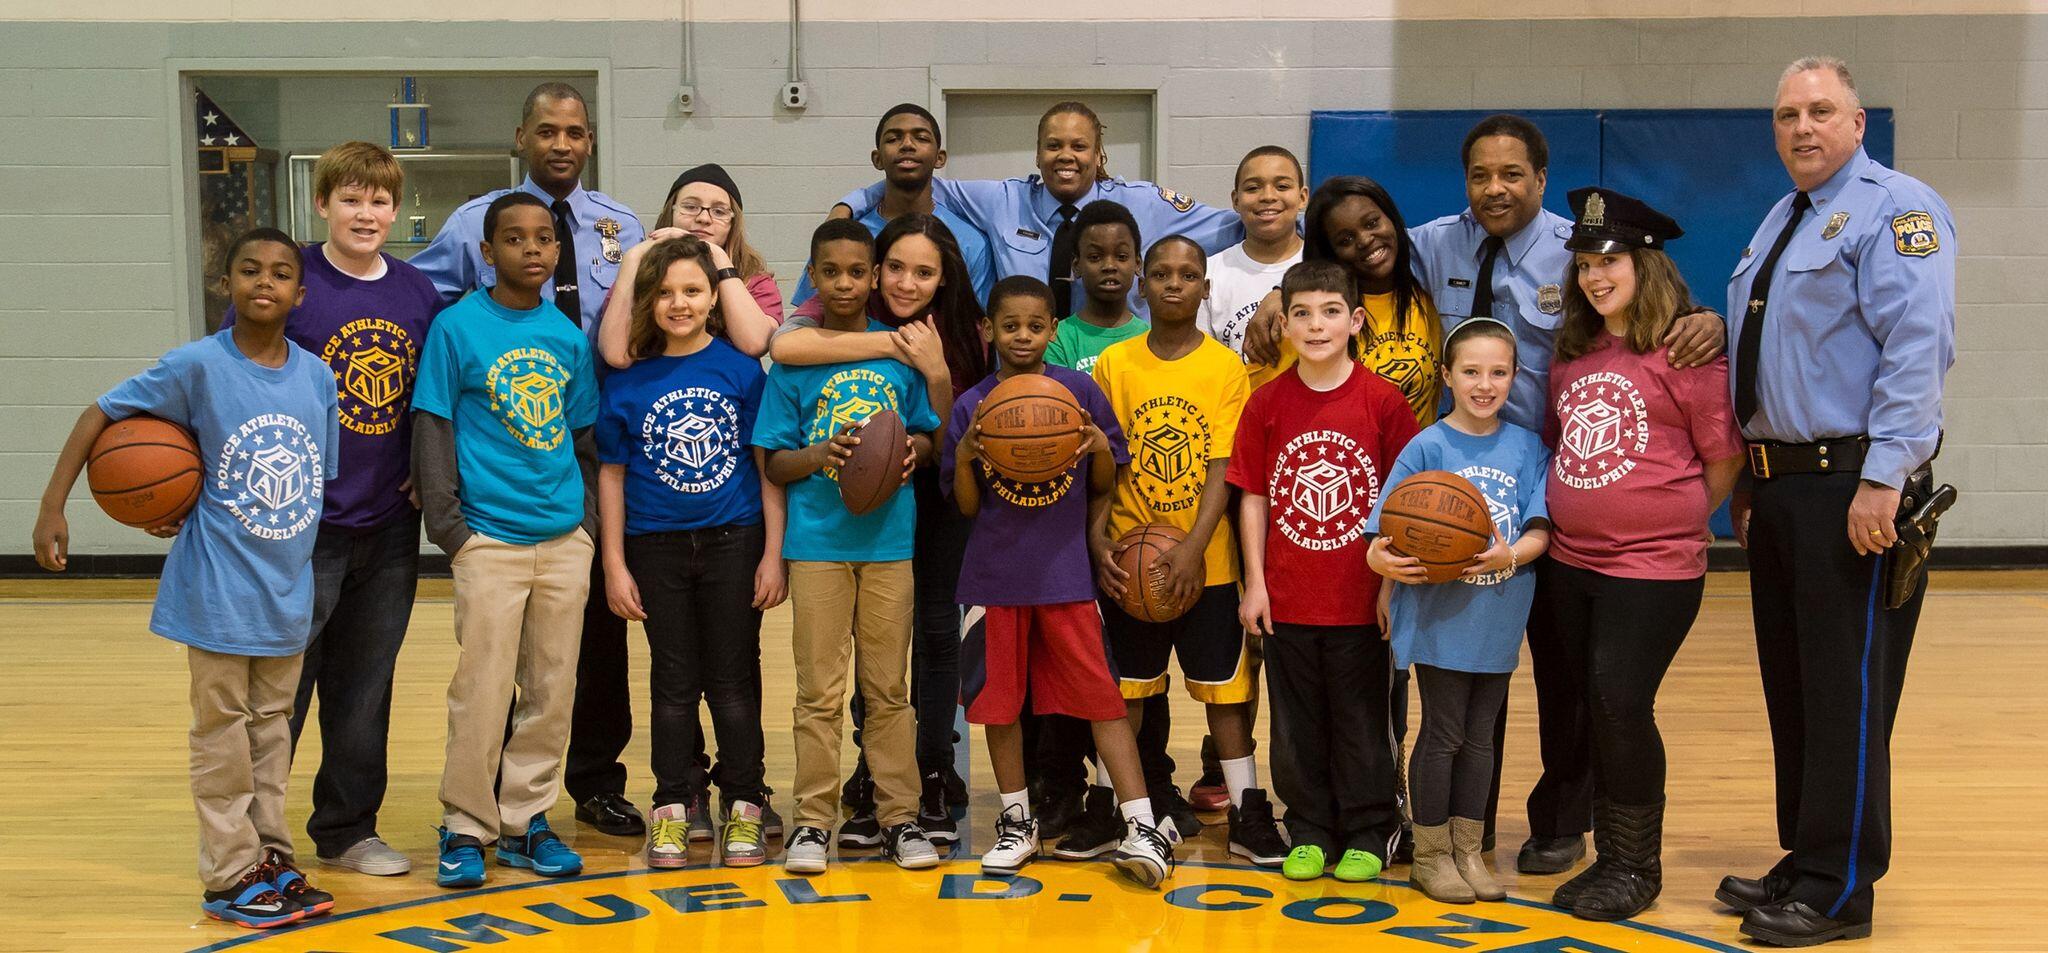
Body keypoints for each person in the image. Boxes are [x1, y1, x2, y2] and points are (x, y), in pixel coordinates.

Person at [1248, 114, 1724, 871]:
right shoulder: (1436, 241)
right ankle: (1425, 820)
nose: (1495, 189)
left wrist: (1703, 319)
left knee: (1566, 678)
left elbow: (1640, 291)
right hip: (1453, 490)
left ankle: (1560, 818)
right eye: (1480, 175)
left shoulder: (1578, 250)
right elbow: (1344, 261)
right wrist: (1283, 296)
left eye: (1512, 175)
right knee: (1438, 672)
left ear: (1540, 178)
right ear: (1464, 183)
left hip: (1549, 484)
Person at [34, 229, 340, 929]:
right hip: (218, 587)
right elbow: (100, 414)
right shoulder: (197, 365)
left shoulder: (317, 377)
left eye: (281, 272)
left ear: (301, 291)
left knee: (273, 730)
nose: (265, 281)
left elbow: (311, 483)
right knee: (221, 733)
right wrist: (55, 504)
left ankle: (267, 853)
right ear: (225, 283)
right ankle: (228, 873)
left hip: (287, 589)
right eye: (250, 269)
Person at [1720, 57, 1955, 949]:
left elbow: (1915, 349)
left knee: (1846, 689)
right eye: (1786, 114)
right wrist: (1751, 473)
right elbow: (1772, 362)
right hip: (1785, 484)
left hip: (1853, 486)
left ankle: (1844, 885)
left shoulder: (1899, 209)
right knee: (1796, 686)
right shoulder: (1787, 216)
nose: (1802, 128)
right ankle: (1808, 852)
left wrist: (1886, 477)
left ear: (1859, 123)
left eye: (1821, 112)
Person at [408, 81, 651, 840]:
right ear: (522, 137)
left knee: (582, 660)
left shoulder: (622, 225)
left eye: (575, 132)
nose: (562, 143)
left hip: (582, 466)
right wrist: (442, 504)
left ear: (590, 140)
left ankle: (572, 793)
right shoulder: (469, 225)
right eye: (547, 130)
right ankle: (473, 816)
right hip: (493, 474)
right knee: (489, 675)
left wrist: (587, 511)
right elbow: (418, 309)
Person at [218, 142, 438, 878]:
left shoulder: (416, 293)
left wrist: (426, 470)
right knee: (284, 686)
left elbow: (432, 400)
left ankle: (346, 828)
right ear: (321, 205)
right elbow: (233, 379)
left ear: (395, 209)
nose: (365, 213)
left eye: (378, 200)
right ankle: (257, 839)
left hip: (389, 525)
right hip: (300, 530)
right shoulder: (291, 278)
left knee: (365, 686)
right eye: (349, 199)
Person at [1542, 187, 1745, 921]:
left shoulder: (1685, 352)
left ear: (1645, 264)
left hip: (1651, 568)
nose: (1596, 275)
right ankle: (1608, 858)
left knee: (1623, 702)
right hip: (1571, 561)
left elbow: (1720, 459)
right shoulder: (1572, 353)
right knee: (1594, 706)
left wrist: (1678, 518)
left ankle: (1637, 865)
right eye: (1585, 263)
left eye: (1611, 259)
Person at [943, 274, 1176, 888]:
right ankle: (1018, 821)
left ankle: (1143, 823)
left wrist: (1100, 445)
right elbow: (966, 507)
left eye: (1036, 325)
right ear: (986, 330)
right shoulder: (971, 404)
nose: (1023, 336)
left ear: (1054, 330)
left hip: (1066, 576)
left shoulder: (1078, 390)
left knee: (1102, 699)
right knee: (998, 708)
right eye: (1010, 325)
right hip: (992, 580)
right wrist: (967, 454)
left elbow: (1104, 482)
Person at [769, 213, 983, 847]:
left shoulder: (912, 357)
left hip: (890, 543)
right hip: (816, 544)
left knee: (888, 688)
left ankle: (900, 815)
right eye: (831, 272)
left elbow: (932, 431)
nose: (845, 283)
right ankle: (814, 820)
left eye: (856, 272)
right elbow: (776, 458)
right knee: (819, 691)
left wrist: (914, 444)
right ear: (812, 277)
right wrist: (820, 456)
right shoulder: (800, 359)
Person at [413, 192, 599, 889]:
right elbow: (432, 428)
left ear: (557, 251)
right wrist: (452, 530)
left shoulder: (566, 336)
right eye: (514, 238)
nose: (532, 248)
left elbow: (582, 437)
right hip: (487, 538)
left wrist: (585, 524)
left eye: (544, 238)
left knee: (551, 687)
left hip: (562, 538)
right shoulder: (457, 328)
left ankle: (526, 820)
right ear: (487, 253)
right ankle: (465, 824)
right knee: (483, 688)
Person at [1089, 235, 1288, 868]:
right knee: (1126, 692)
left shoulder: (1226, 369)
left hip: (1212, 563)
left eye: (1188, 275)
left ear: (1206, 288)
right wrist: (1097, 536)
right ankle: (1120, 809)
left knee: (1225, 696)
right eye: (1161, 274)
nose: (1174, 284)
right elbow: (1104, 462)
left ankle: (1248, 812)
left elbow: (1223, 465)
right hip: (1131, 560)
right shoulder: (1113, 365)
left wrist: (1194, 547)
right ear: (1142, 284)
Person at [595, 236, 786, 870]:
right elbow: (613, 477)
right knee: (673, 685)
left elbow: (766, 469)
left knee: (733, 683)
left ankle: (745, 803)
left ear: (714, 298)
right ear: (648, 301)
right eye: (666, 292)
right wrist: (615, 564)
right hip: (655, 549)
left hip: (736, 542)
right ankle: (674, 804)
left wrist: (773, 554)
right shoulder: (627, 380)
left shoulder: (739, 369)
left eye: (693, 291)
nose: (679, 303)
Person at [1229, 260, 1418, 883]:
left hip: (1361, 601)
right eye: (1302, 313)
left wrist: (1391, 587)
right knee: (1295, 725)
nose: (1316, 325)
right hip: (1287, 598)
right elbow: (1253, 496)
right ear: (1283, 324)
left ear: (1355, 320)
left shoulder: (1384, 403)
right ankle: (1307, 827)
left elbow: (1402, 505)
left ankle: (1370, 826)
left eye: (1331, 312)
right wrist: (1255, 584)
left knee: (1364, 723)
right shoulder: (1265, 403)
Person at [1367, 318, 1552, 905]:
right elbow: (1379, 535)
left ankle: (1469, 850)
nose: (1484, 384)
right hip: (1441, 613)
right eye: (1470, 371)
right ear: (1447, 376)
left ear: (1514, 377)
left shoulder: (1528, 446)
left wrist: (1509, 551)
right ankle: (1431, 853)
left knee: (1481, 739)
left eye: (1498, 372)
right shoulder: (1427, 445)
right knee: (1444, 732)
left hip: (1499, 609)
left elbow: (1540, 532)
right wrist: (1382, 566)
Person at [832, 100, 1243, 318]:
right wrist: (849, 206)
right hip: (1023, 372)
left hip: (1115, 368)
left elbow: (1242, 225)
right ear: (1037, 153)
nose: (1066, 156)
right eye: (1054, 145)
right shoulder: (1004, 201)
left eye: (1079, 146)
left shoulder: (1143, 203)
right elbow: (915, 176)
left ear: (1098, 154)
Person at [792, 104, 995, 307]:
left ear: (939, 158)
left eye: (921, 138)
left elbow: (978, 329)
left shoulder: (971, 242)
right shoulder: (844, 237)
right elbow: (805, 322)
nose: (907, 144)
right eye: (893, 139)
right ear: (877, 159)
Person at [598, 163, 784, 364]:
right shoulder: (637, 269)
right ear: (671, 212)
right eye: (690, 207)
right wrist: (632, 259)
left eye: (719, 211)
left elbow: (755, 344)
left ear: (733, 223)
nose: (704, 218)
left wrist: (717, 255)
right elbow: (616, 355)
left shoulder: (755, 280)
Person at [1198, 145, 1307, 369]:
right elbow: (1202, 364)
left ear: (1302, 197)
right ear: (1236, 200)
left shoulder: (1326, 265)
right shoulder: (1209, 273)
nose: (1268, 196)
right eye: (1253, 188)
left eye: (1282, 186)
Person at [1043, 200, 1149, 375]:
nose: (1109, 266)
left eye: (1121, 256)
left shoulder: (1150, 339)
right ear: (1076, 266)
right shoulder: (1057, 339)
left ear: (1138, 264)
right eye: (1095, 257)